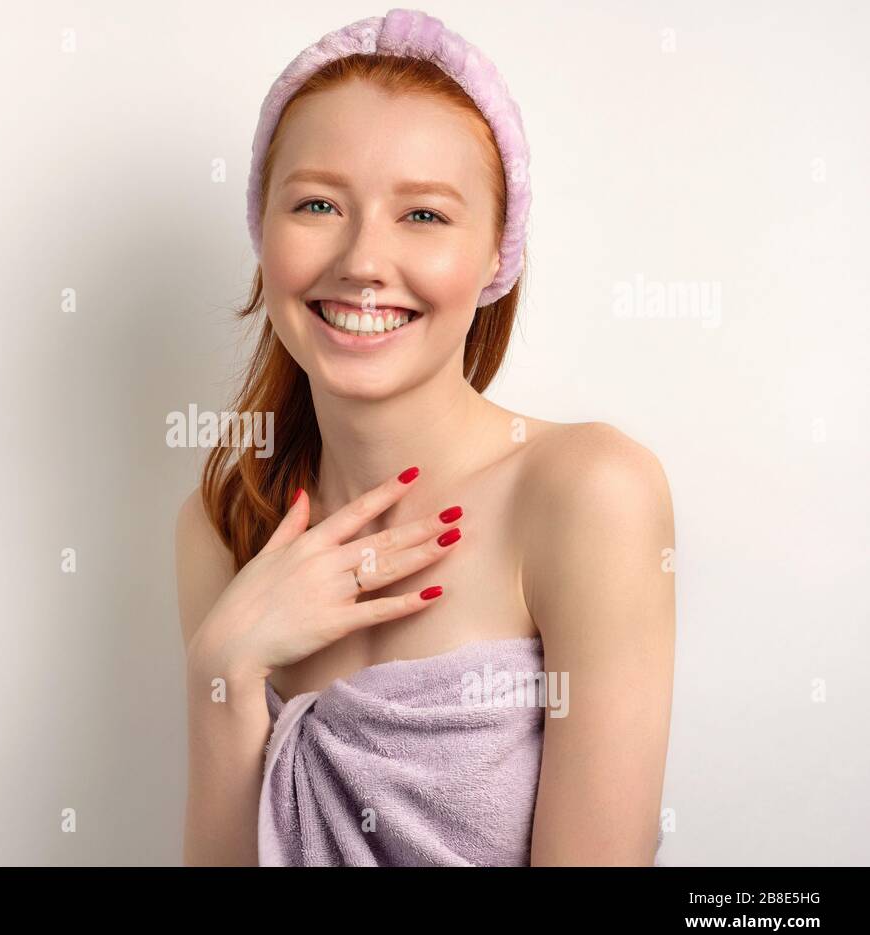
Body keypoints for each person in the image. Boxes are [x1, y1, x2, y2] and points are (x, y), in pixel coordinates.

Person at [175, 9, 674, 866]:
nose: (364, 259)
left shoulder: (589, 492)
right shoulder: (224, 522)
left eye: (425, 216)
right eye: (319, 204)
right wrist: (222, 673)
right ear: (264, 231)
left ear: (495, 257)